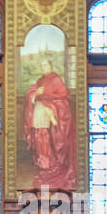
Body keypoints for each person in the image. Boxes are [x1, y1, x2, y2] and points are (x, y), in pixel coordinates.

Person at [23, 58, 77, 189]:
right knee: (38, 133)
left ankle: (49, 160)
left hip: (52, 109)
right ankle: (42, 160)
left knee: (46, 134)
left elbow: (64, 94)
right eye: (41, 66)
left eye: (45, 65)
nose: (43, 68)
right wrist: (36, 93)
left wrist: (47, 96)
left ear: (50, 66)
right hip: (41, 108)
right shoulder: (40, 80)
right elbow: (31, 93)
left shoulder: (56, 79)